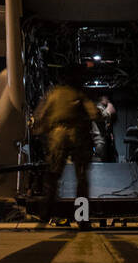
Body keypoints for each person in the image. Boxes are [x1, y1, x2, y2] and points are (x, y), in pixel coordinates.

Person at [32, 67, 101, 230]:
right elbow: (95, 114)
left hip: (57, 136)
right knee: (82, 179)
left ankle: (45, 214)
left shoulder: (54, 94)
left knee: (53, 176)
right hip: (77, 135)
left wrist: (40, 134)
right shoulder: (79, 94)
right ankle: (82, 219)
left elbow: (40, 117)